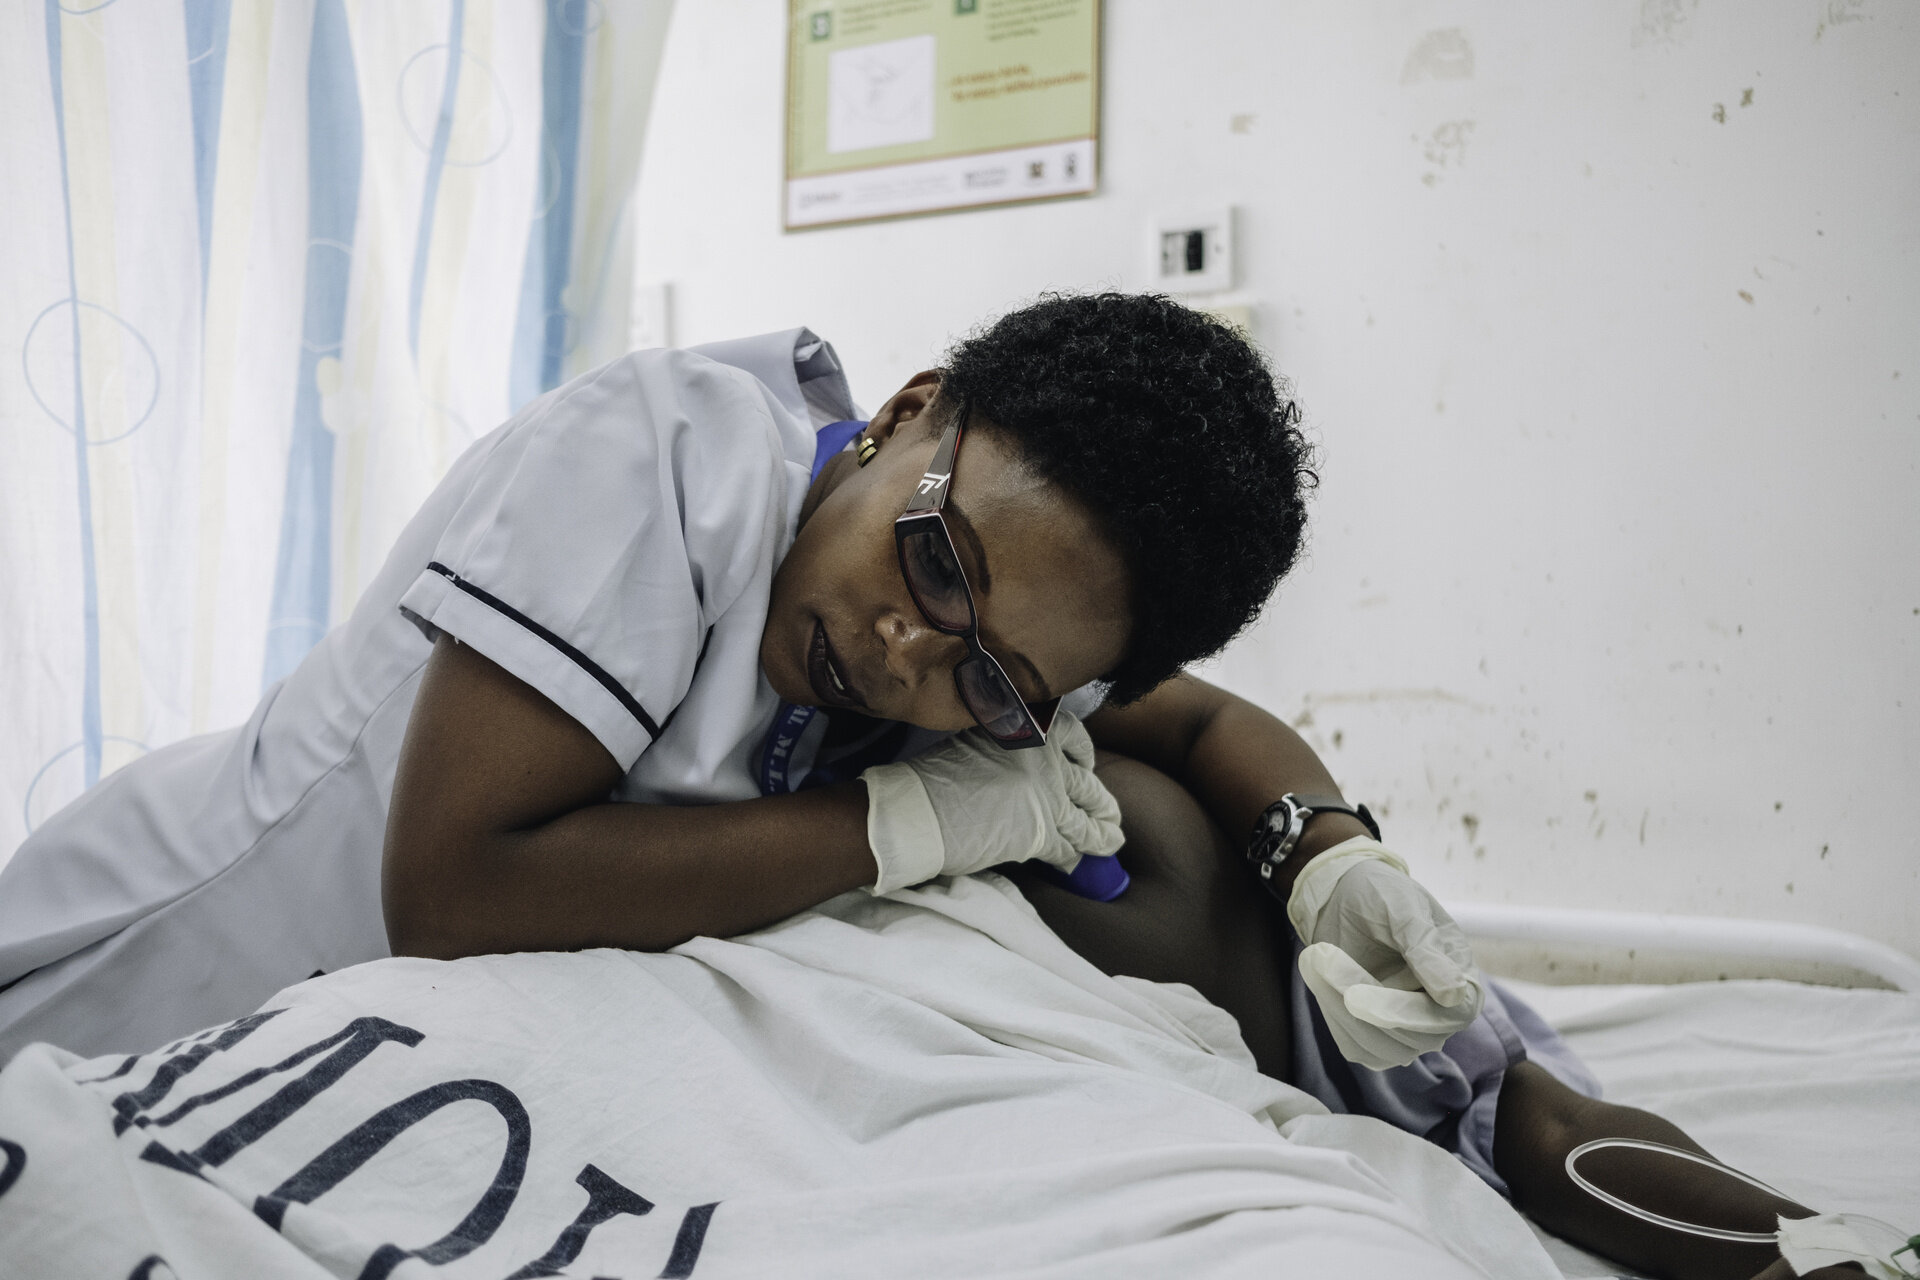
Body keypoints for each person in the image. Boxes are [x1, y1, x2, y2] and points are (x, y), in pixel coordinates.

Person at [0, 294, 1859, 1278]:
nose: (910, 653)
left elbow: (1205, 734)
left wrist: (1333, 854)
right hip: (137, 971)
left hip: (416, 1058)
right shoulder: (664, 459)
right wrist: (902, 820)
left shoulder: (1014, 653)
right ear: (906, 412)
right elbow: (458, 891)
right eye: (935, 561)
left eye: (993, 674)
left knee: (1449, 1045)